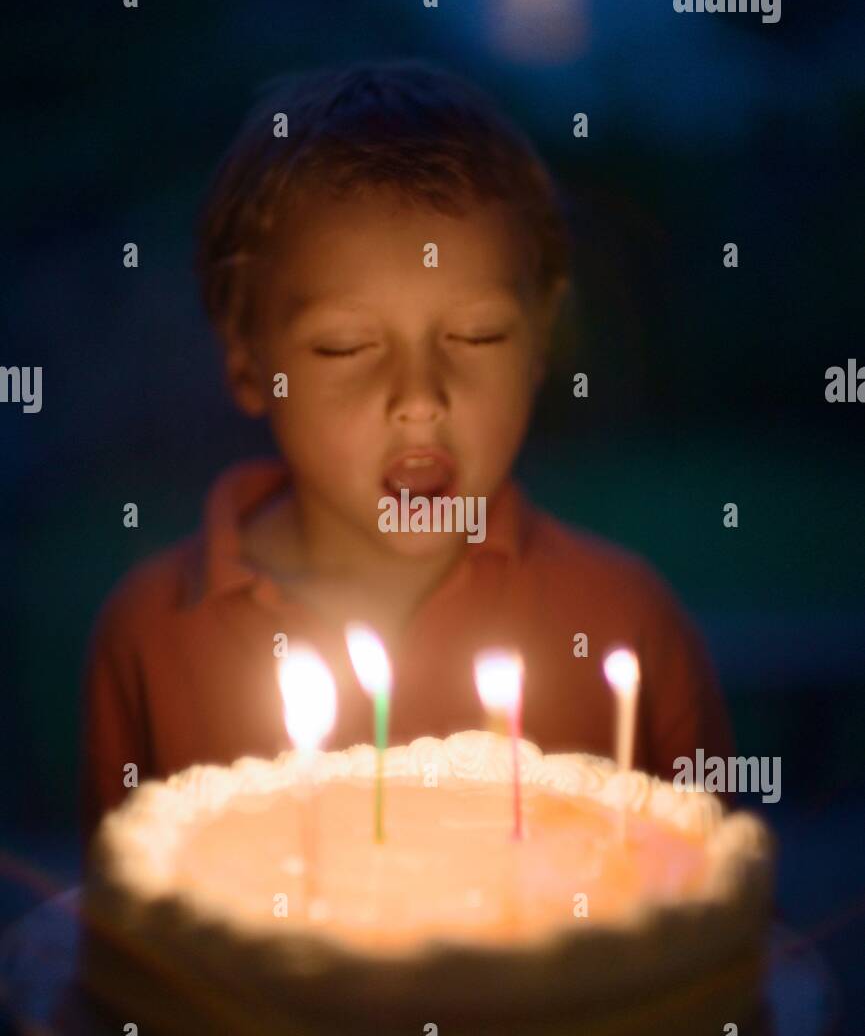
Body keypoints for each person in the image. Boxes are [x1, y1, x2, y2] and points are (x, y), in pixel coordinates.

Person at [78, 59, 734, 849]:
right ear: (248, 363)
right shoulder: (152, 634)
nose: (419, 395)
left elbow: (715, 922)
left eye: (476, 335)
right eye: (346, 345)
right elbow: (120, 940)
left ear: (538, 340)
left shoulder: (626, 623)